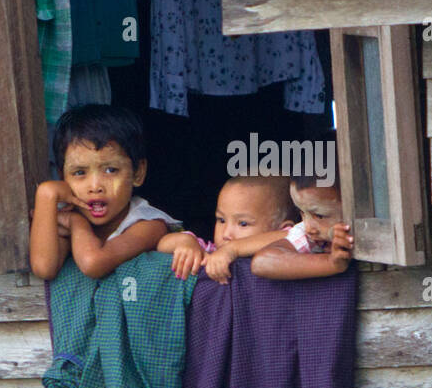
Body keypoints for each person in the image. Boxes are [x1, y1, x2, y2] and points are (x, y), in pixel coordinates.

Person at [29, 105, 177, 280]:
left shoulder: (149, 224)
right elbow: (44, 268)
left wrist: (76, 222)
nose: (95, 186)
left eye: (110, 170)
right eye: (79, 173)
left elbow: (93, 263)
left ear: (138, 173)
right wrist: (46, 195)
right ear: (63, 178)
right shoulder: (69, 216)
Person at [156, 175, 294, 283]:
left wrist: (233, 249)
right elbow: (163, 244)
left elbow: (290, 235)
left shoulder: (286, 248)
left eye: (243, 224)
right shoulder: (211, 252)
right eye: (221, 220)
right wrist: (187, 243)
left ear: (279, 227)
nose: (226, 234)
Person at [251, 173, 353, 279]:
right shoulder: (309, 236)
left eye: (319, 216)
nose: (308, 228)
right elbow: (262, 262)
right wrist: (331, 263)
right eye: (302, 212)